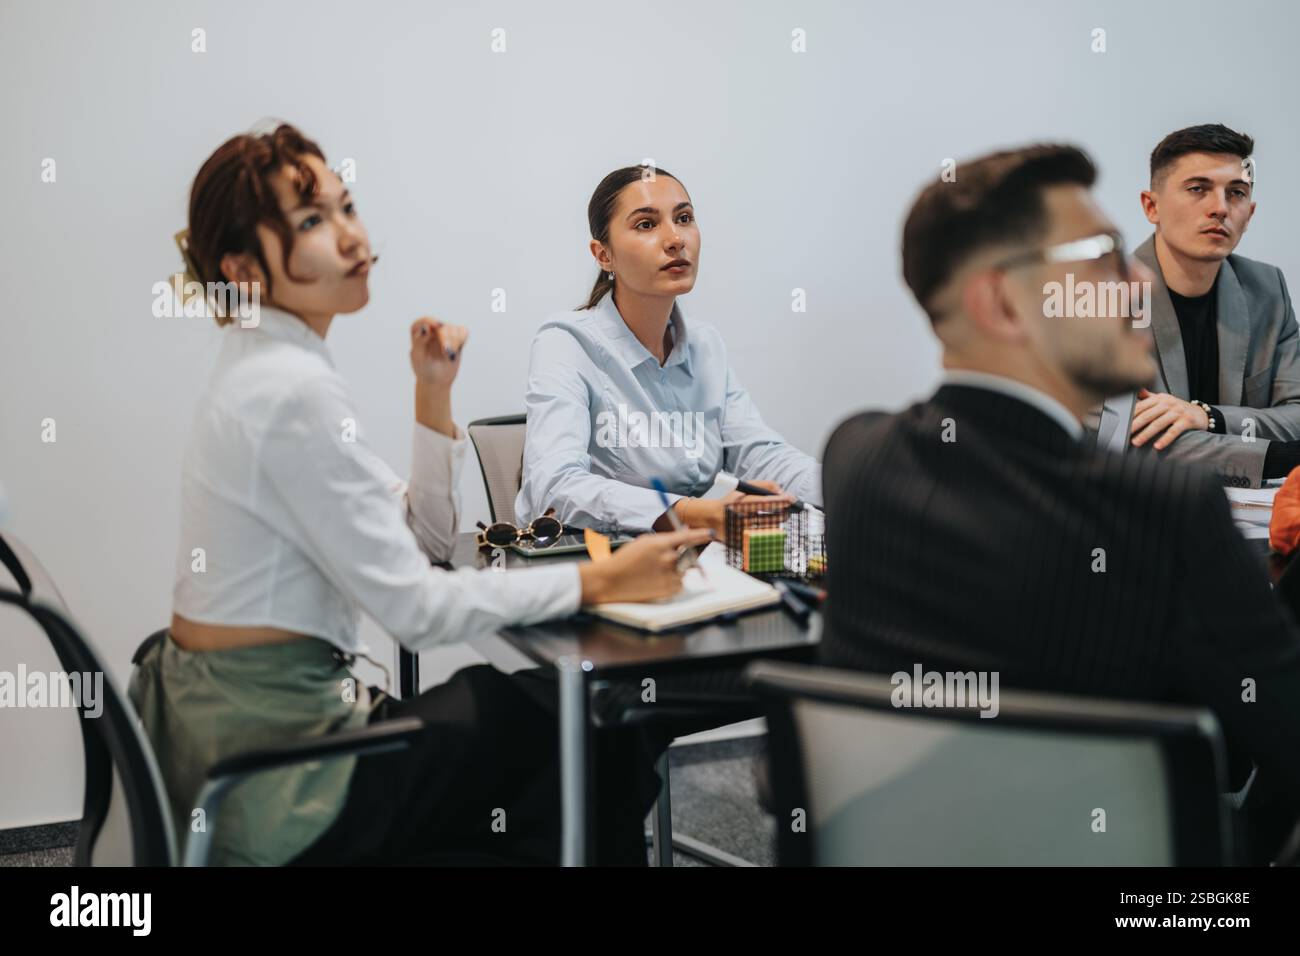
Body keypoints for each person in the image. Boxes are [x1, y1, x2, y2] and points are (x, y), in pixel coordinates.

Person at [129, 124, 709, 866]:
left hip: (244, 734)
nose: (349, 234)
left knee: (550, 725)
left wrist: (431, 396)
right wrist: (602, 580)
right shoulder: (287, 390)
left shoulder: (267, 366)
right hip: (283, 774)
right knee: (586, 730)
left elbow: (425, 540)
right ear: (243, 269)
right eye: (311, 222)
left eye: (345, 207)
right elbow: (415, 610)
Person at [820, 143, 1300, 863]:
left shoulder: (854, 455)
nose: (1138, 283)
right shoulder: (1164, 509)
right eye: (1101, 259)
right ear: (1003, 303)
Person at [516, 164, 820, 536]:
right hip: (603, 560)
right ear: (603, 255)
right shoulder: (566, 342)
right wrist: (695, 513)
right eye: (646, 224)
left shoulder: (705, 344)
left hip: (692, 555)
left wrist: (849, 487)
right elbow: (553, 487)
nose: (675, 239)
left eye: (684, 218)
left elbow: (758, 453)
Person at [1091, 124, 1300, 487]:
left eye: (1236, 193)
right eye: (1198, 189)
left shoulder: (1268, 289)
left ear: (1249, 214)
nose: (1220, 208)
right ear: (1151, 206)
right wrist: (1275, 458)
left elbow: (1296, 415)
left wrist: (1210, 416)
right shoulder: (1101, 293)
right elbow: (1121, 436)